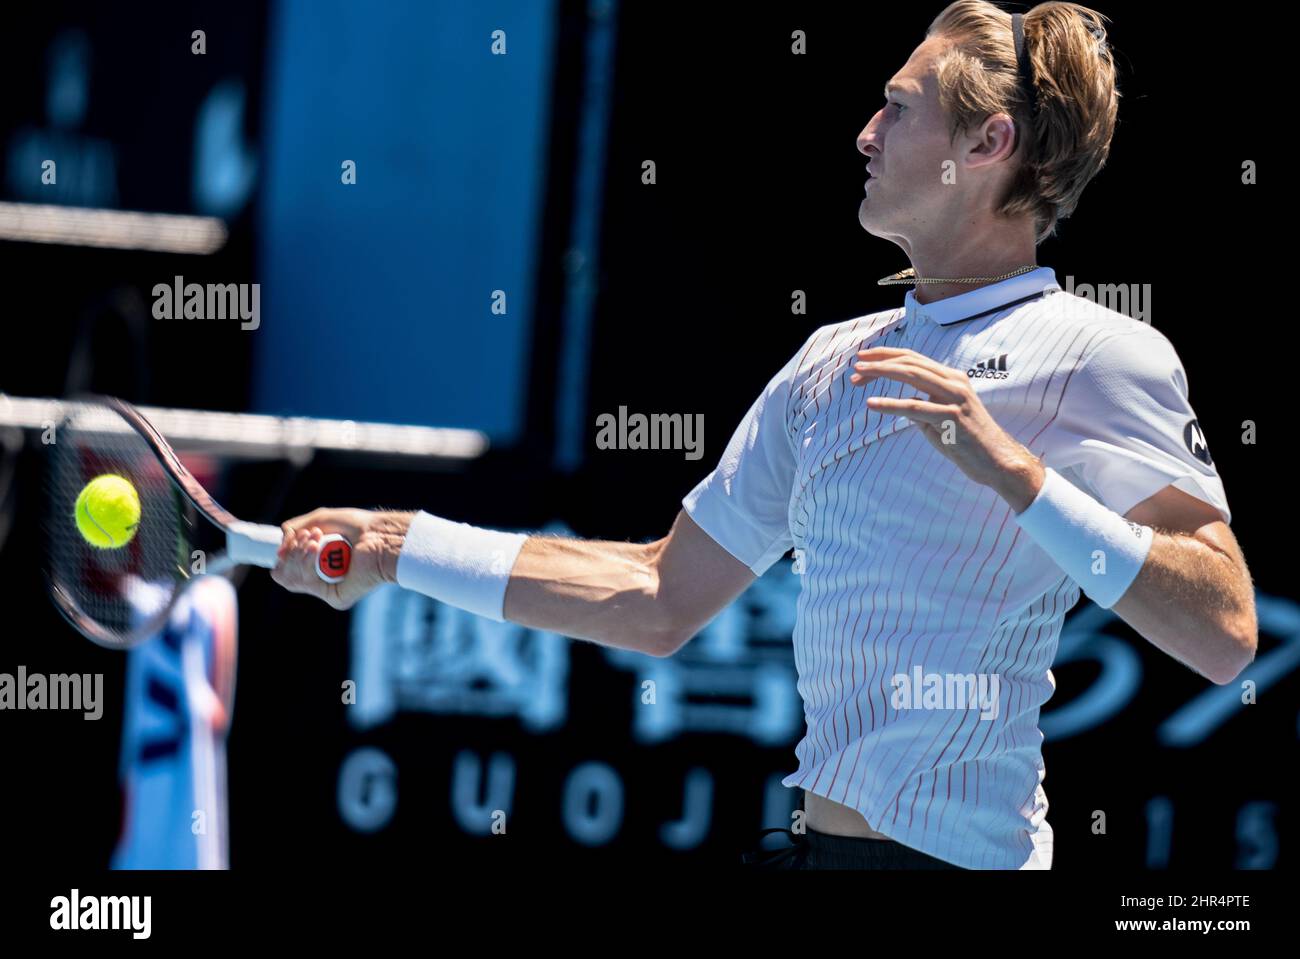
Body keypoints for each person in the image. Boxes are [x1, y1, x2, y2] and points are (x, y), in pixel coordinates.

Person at [270, 0, 1257, 869]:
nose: (865, 133)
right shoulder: (828, 361)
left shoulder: (1101, 354)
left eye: (899, 108)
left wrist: (1018, 475)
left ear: (986, 146)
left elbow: (1222, 635)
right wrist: (399, 546)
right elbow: (659, 597)